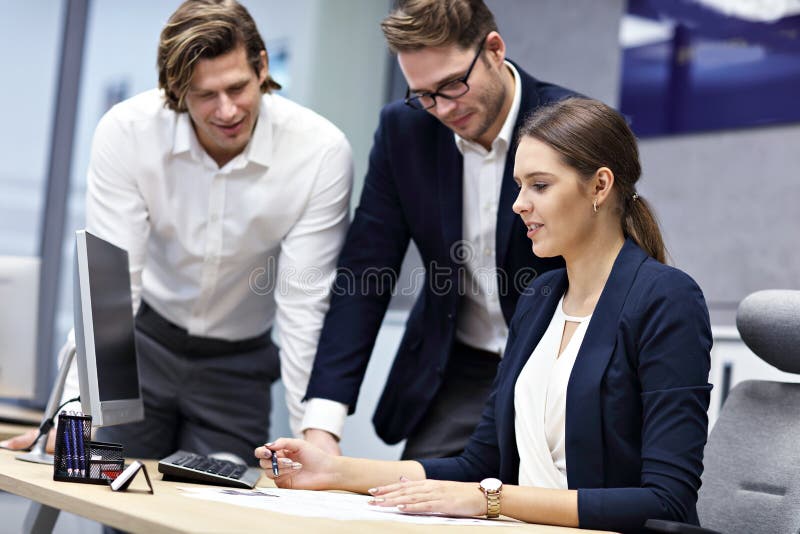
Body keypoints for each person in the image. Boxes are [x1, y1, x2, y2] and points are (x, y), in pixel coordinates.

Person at [256, 97, 713, 533]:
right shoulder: (540, 298)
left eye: (539, 185)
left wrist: (490, 499)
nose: (519, 204)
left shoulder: (666, 300)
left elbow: (665, 501)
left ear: (600, 185)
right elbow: (480, 463)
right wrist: (333, 471)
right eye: (519, 185)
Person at [1, 0, 353, 463]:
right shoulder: (128, 132)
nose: (227, 110)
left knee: (220, 497)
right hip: (141, 347)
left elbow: (304, 303)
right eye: (205, 95)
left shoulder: (320, 152)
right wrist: (74, 417)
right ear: (176, 89)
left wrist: (316, 434)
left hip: (237, 366)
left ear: (262, 67)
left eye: (238, 87)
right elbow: (109, 290)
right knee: (105, 481)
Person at [302, 0, 577, 459]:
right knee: (410, 496)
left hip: (561, 364)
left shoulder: (571, 123)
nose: (443, 108)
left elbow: (610, 267)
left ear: (494, 49)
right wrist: (323, 424)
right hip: (461, 370)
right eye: (424, 95)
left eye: (452, 84)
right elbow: (366, 273)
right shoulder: (405, 131)